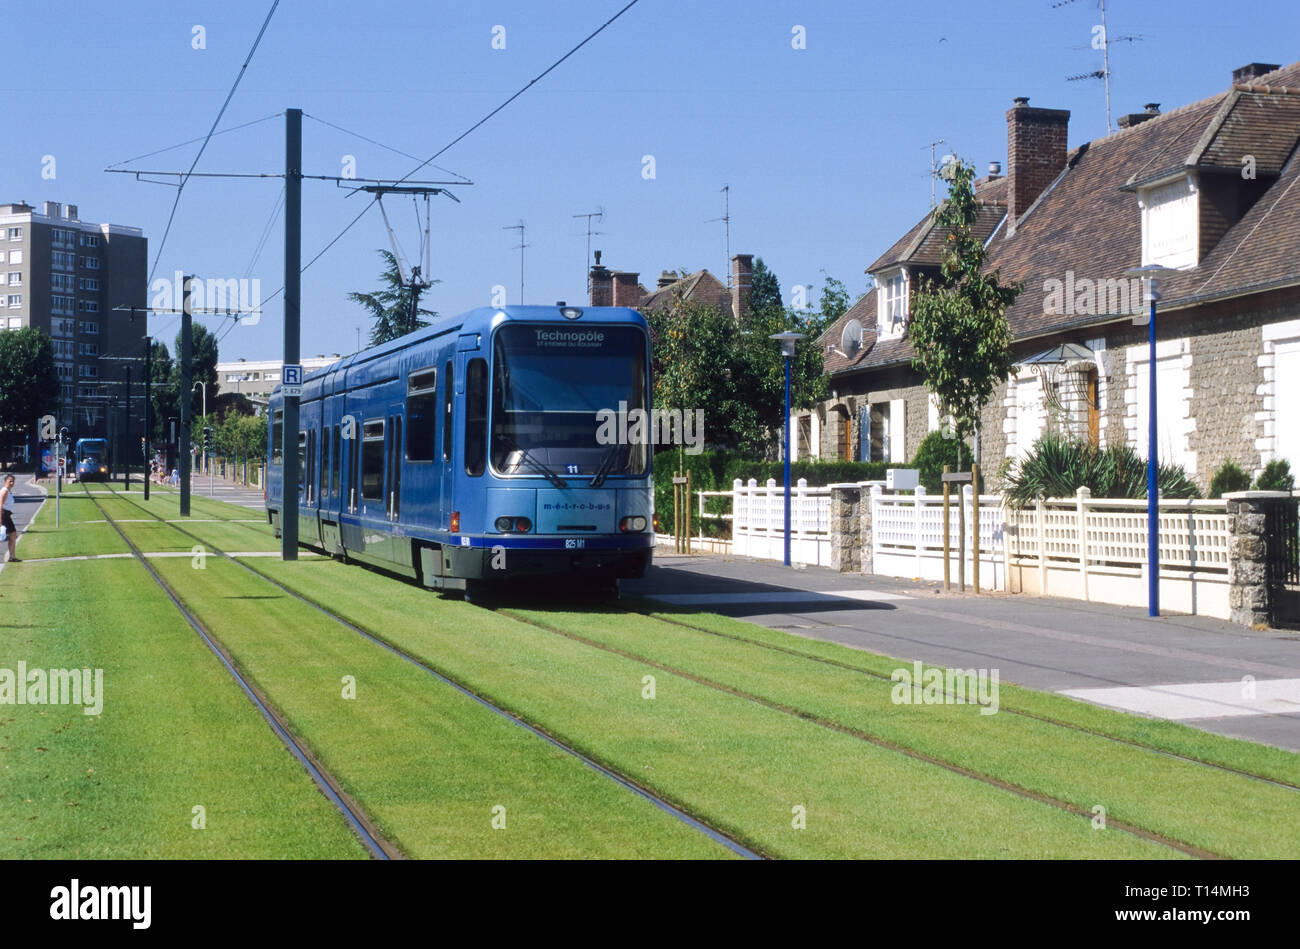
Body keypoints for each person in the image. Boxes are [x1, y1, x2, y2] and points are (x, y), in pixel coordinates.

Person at [1, 473, 18, 563]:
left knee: (13, 535)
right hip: (3, 515)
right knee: (11, 535)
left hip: (6, 515)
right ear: (5, 481)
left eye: (13, 481)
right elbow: (0, 505)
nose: (11, 483)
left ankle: (12, 556)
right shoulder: (4, 491)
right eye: (9, 481)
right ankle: (12, 556)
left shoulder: (8, 491)